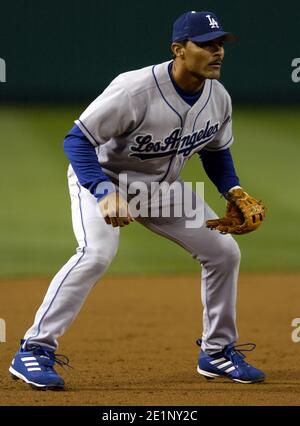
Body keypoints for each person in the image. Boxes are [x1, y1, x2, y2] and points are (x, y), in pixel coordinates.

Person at [9, 10, 265, 390]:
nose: (218, 52)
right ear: (178, 50)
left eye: (220, 45)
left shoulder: (218, 97)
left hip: (160, 190)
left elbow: (215, 152)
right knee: (95, 253)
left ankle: (217, 352)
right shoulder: (134, 90)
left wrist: (234, 191)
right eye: (207, 45)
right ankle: (34, 348)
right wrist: (102, 191)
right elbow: (77, 140)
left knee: (224, 252)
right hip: (103, 179)